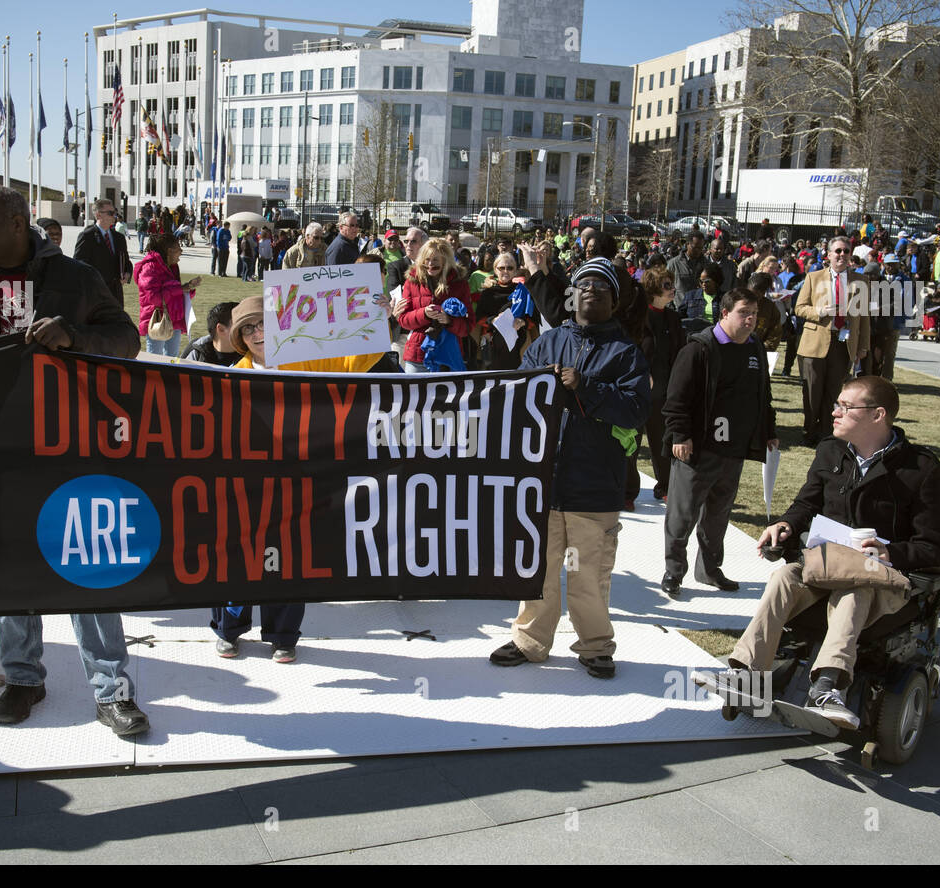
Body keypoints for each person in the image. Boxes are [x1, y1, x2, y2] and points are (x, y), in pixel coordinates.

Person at [0, 185, 145, 735]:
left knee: (88, 565)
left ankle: (111, 687)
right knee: (13, 566)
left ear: (18, 223)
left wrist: (73, 336)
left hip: (71, 445)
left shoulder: (75, 279)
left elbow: (126, 338)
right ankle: (24, 678)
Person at [721, 376, 940, 728]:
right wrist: (786, 525)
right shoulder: (831, 451)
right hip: (825, 565)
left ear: (878, 415)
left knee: (857, 587)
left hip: (880, 580)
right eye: (837, 404)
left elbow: (932, 546)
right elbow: (806, 502)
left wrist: (891, 553)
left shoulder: (920, 469)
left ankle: (828, 686)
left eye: (846, 406)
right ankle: (747, 675)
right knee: (784, 576)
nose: (834, 411)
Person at [488, 257, 650, 679]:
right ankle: (529, 640)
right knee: (537, 570)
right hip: (542, 483)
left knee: (586, 575)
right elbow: (516, 394)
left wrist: (587, 386)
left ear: (614, 301)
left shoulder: (626, 353)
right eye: (584, 284)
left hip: (593, 486)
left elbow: (634, 411)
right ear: (570, 295)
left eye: (602, 285)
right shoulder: (546, 343)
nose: (592, 289)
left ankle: (595, 646)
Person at [214, 296, 385, 662]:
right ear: (241, 338)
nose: (258, 333)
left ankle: (283, 635)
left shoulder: (307, 361)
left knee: (290, 556)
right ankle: (229, 630)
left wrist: (376, 318)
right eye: (248, 329)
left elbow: (357, 363)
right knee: (238, 554)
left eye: (263, 325)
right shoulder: (231, 374)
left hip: (299, 479)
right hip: (246, 482)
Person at [661, 288, 778, 597]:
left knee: (718, 517)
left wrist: (769, 429)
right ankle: (673, 572)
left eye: (754, 313)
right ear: (725, 313)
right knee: (682, 516)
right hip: (698, 450)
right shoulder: (699, 349)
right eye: (744, 312)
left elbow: (762, 395)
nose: (751, 319)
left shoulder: (755, 348)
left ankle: (710, 570)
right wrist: (680, 435)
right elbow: (676, 398)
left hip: (733, 451)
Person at [793, 236, 870, 446]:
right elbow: (799, 308)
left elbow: (864, 318)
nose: (842, 255)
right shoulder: (814, 277)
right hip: (814, 344)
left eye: (846, 251)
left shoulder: (861, 281)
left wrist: (863, 346)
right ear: (828, 254)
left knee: (834, 391)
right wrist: (819, 311)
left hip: (843, 344)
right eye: (838, 251)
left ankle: (827, 433)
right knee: (812, 390)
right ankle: (810, 430)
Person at [638, 265, 683, 502]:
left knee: (662, 442)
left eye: (672, 284)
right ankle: (626, 491)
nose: (672, 289)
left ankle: (665, 486)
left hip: (664, 391)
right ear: (653, 289)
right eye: (666, 285)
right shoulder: (638, 317)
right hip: (637, 392)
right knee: (630, 445)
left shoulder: (673, 318)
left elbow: (680, 353)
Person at [399, 238, 473, 374]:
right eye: (426, 260)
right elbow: (403, 321)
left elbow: (468, 326)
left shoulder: (460, 283)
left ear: (446, 261)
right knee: (415, 395)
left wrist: (449, 320)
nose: (430, 265)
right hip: (418, 354)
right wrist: (424, 314)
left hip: (448, 356)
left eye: (435, 261)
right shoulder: (412, 281)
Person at [134, 233, 200, 357]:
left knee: (172, 360)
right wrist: (180, 288)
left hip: (174, 319)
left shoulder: (172, 267)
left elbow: (175, 293)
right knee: (155, 359)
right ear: (169, 251)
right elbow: (154, 298)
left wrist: (188, 288)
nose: (181, 251)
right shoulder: (150, 267)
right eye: (178, 248)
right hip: (158, 319)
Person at [73, 199, 132, 303]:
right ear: (98, 215)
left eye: (115, 212)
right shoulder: (87, 236)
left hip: (116, 295)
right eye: (111, 213)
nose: (114, 216)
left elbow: (126, 260)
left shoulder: (119, 237)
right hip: (95, 295)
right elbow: (78, 264)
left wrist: (127, 272)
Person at [181, 300, 240, 365]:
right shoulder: (197, 351)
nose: (247, 329)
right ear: (221, 329)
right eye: (240, 324)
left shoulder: (250, 354)